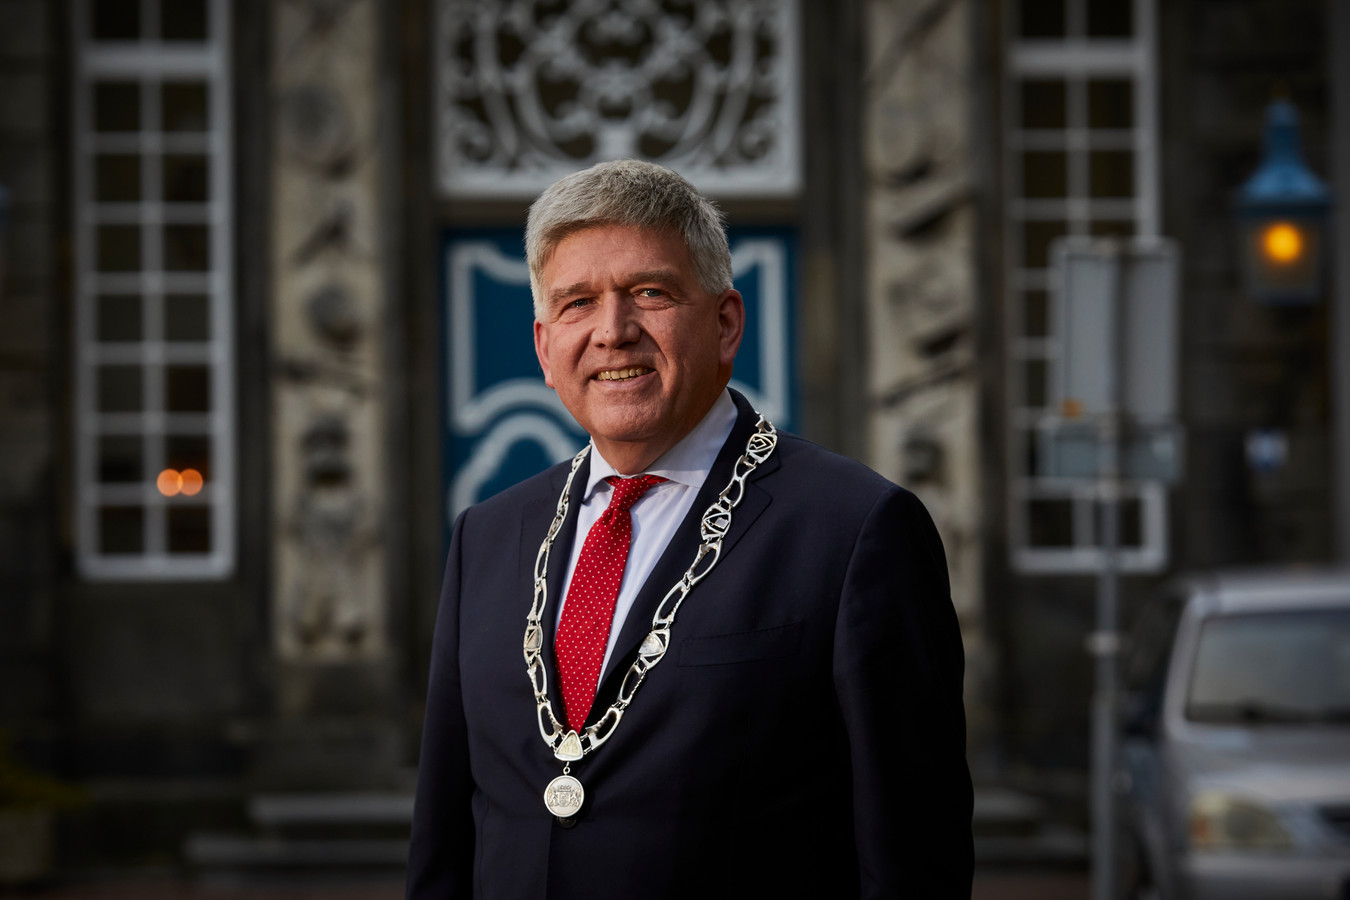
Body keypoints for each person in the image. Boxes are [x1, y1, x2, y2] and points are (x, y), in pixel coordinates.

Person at [406, 159, 973, 899]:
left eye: (650, 292)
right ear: (545, 350)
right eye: (578, 303)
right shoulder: (486, 534)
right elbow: (445, 839)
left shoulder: (856, 531)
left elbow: (913, 862)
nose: (613, 332)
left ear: (726, 322)